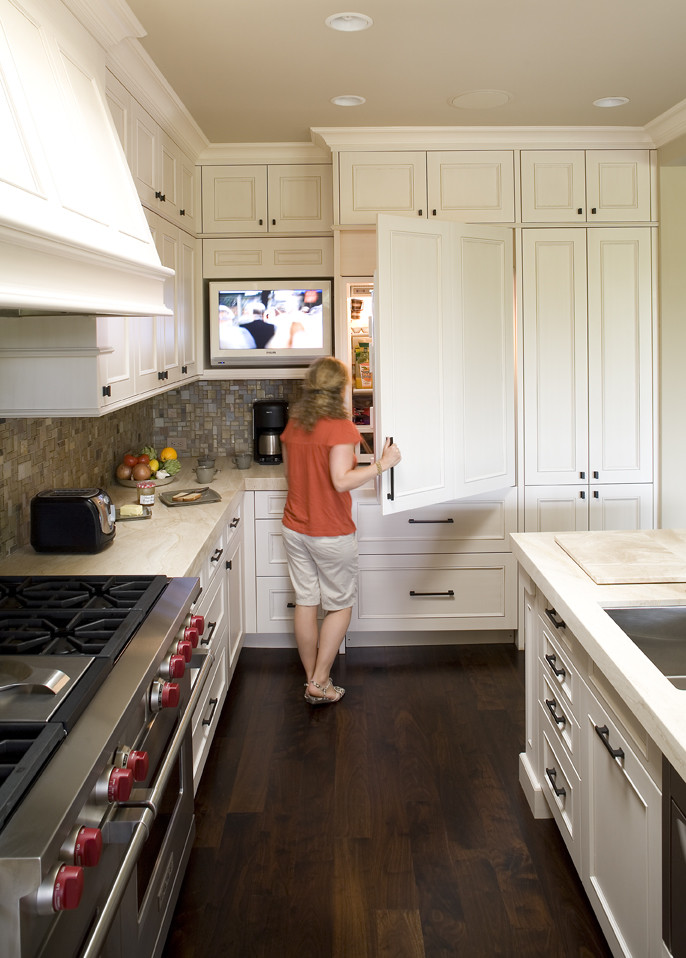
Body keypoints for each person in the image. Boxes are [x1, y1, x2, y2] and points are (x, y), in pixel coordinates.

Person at [279, 356, 402, 706]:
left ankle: (314, 680)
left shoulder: (294, 425)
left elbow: (292, 478)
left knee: (305, 600)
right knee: (339, 604)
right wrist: (382, 464)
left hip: (295, 527)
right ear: (341, 388)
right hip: (329, 531)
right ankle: (319, 682)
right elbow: (340, 480)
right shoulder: (341, 427)